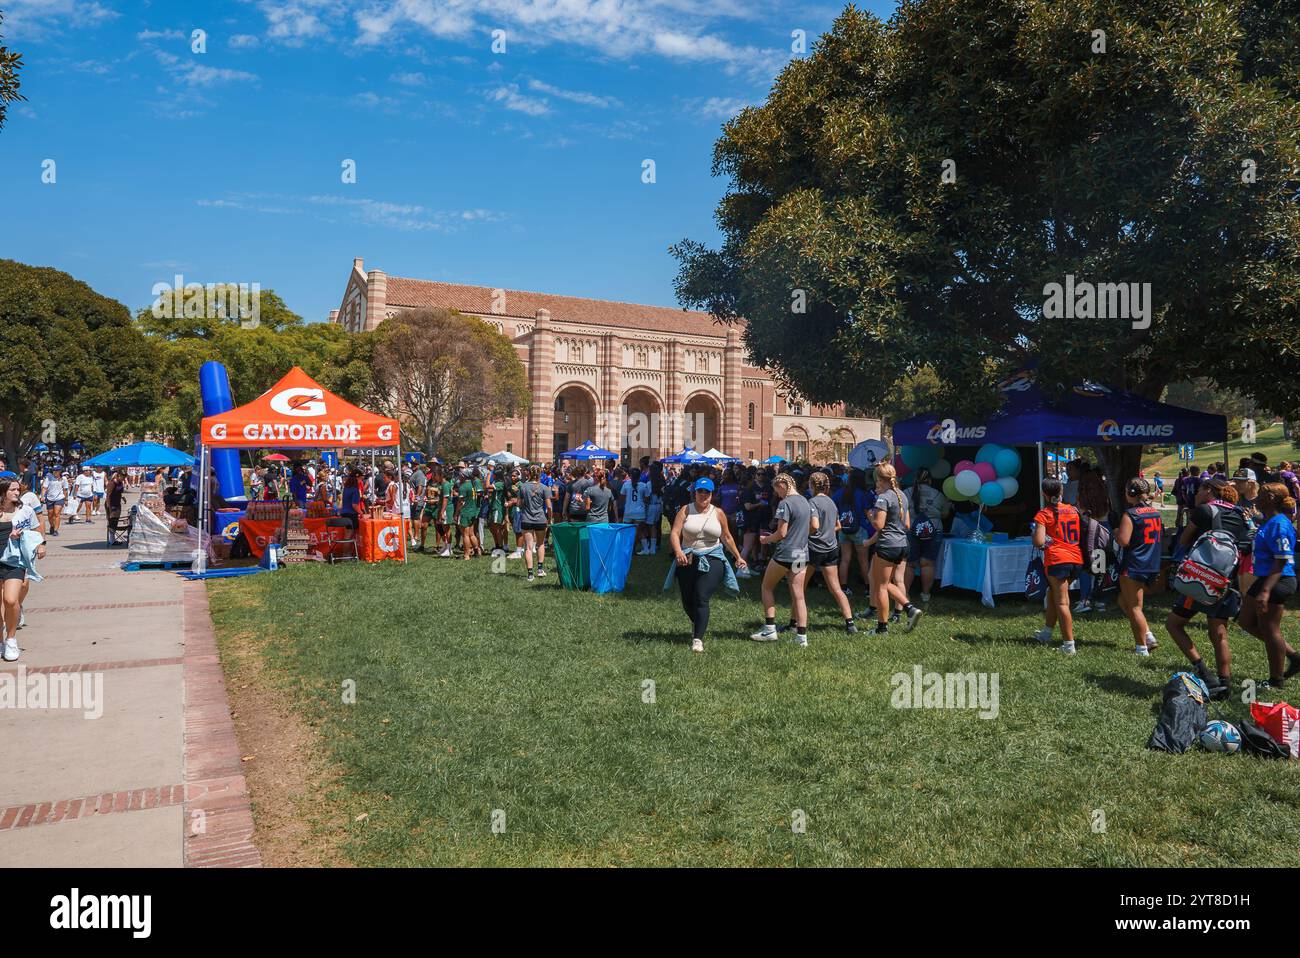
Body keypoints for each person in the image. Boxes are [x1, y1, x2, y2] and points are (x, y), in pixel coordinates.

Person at [1165, 477, 1253, 699]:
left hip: (1199, 578)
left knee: (1174, 624)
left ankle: (1204, 673)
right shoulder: (1241, 513)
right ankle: (1224, 684)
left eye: (1198, 490)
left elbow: (1184, 540)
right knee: (1219, 633)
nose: (1195, 494)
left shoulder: (1204, 511)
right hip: (1225, 581)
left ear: (1209, 491)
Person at [669, 477, 747, 652]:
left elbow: (726, 537)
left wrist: (738, 556)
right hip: (687, 557)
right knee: (687, 600)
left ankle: (697, 639)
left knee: (701, 596)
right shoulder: (685, 510)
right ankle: (698, 623)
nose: (703, 495)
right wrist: (678, 551)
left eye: (707, 492)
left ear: (712, 494)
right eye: (700, 491)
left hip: (713, 557)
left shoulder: (718, 513)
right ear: (694, 492)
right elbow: (674, 533)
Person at [1237, 482, 1300, 690]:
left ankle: (1276, 680)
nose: (1258, 496)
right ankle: (1292, 655)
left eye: (1263, 493)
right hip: (1265, 578)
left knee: (1270, 628)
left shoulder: (1279, 524)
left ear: (1272, 498)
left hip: (1278, 580)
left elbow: (1281, 559)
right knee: (1246, 620)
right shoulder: (1269, 520)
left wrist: (1265, 591)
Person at [750, 473, 813, 646]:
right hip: (802, 553)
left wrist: (766, 539)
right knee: (799, 595)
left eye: (777, 490)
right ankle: (802, 638)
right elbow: (814, 526)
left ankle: (770, 629)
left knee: (766, 586)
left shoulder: (785, 503)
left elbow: (782, 533)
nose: (777, 494)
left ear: (783, 485)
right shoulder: (806, 501)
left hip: (786, 553)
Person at [864, 462, 923, 635]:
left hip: (887, 545)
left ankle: (882, 628)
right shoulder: (902, 496)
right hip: (902, 544)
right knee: (890, 582)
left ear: (880, 480)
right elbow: (907, 524)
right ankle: (909, 608)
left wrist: (870, 515)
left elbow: (879, 525)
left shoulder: (884, 498)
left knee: (881, 586)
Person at [1032, 477, 1083, 654]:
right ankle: (1046, 633)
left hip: (1057, 560)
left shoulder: (1044, 514)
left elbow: (1038, 541)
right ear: (1061, 491)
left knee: (1062, 602)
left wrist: (1047, 541)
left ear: (1044, 494)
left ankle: (1069, 645)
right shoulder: (1073, 510)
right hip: (1076, 559)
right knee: (1052, 593)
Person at [1113, 477, 1163, 656]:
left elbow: (1124, 541)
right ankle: (1148, 635)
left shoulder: (1131, 514)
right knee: (1123, 601)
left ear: (1130, 493)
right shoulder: (1155, 512)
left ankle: (1142, 647)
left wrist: (1116, 532)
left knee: (1135, 607)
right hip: (1151, 562)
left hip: (1135, 563)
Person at [804, 471, 857, 634]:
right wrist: (827, 530)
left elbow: (814, 525)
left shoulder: (812, 502)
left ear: (812, 485)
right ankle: (850, 623)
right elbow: (838, 526)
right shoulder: (831, 502)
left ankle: (795, 623)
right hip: (831, 548)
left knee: (799, 587)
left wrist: (803, 532)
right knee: (836, 588)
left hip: (814, 548)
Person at [0, 479, 44, 662]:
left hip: (15, 560)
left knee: (10, 600)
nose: (17, 492)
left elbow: (37, 527)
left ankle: (11, 639)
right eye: (13, 490)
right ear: (2, 493)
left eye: (18, 489)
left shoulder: (25, 510)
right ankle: (1, 643)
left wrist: (41, 544)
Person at [905, 467, 951, 604]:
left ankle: (904, 593)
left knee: (909, 564)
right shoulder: (938, 494)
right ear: (930, 480)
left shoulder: (906, 493)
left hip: (911, 530)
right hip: (934, 531)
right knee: (927, 563)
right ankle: (925, 594)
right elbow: (945, 514)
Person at [515, 465, 551, 581]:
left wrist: (525, 504)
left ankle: (530, 574)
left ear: (528, 474)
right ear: (540, 474)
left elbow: (519, 504)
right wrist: (549, 518)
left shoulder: (523, 487)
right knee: (540, 544)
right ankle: (540, 570)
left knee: (528, 548)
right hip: (540, 518)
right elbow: (549, 506)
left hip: (527, 519)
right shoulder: (544, 488)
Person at [621, 466, 650, 552]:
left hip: (628, 511)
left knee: (627, 531)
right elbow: (647, 499)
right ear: (639, 476)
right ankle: (641, 548)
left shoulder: (626, 484)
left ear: (630, 475)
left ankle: (629, 548)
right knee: (639, 532)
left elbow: (622, 497)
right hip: (640, 512)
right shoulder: (644, 486)